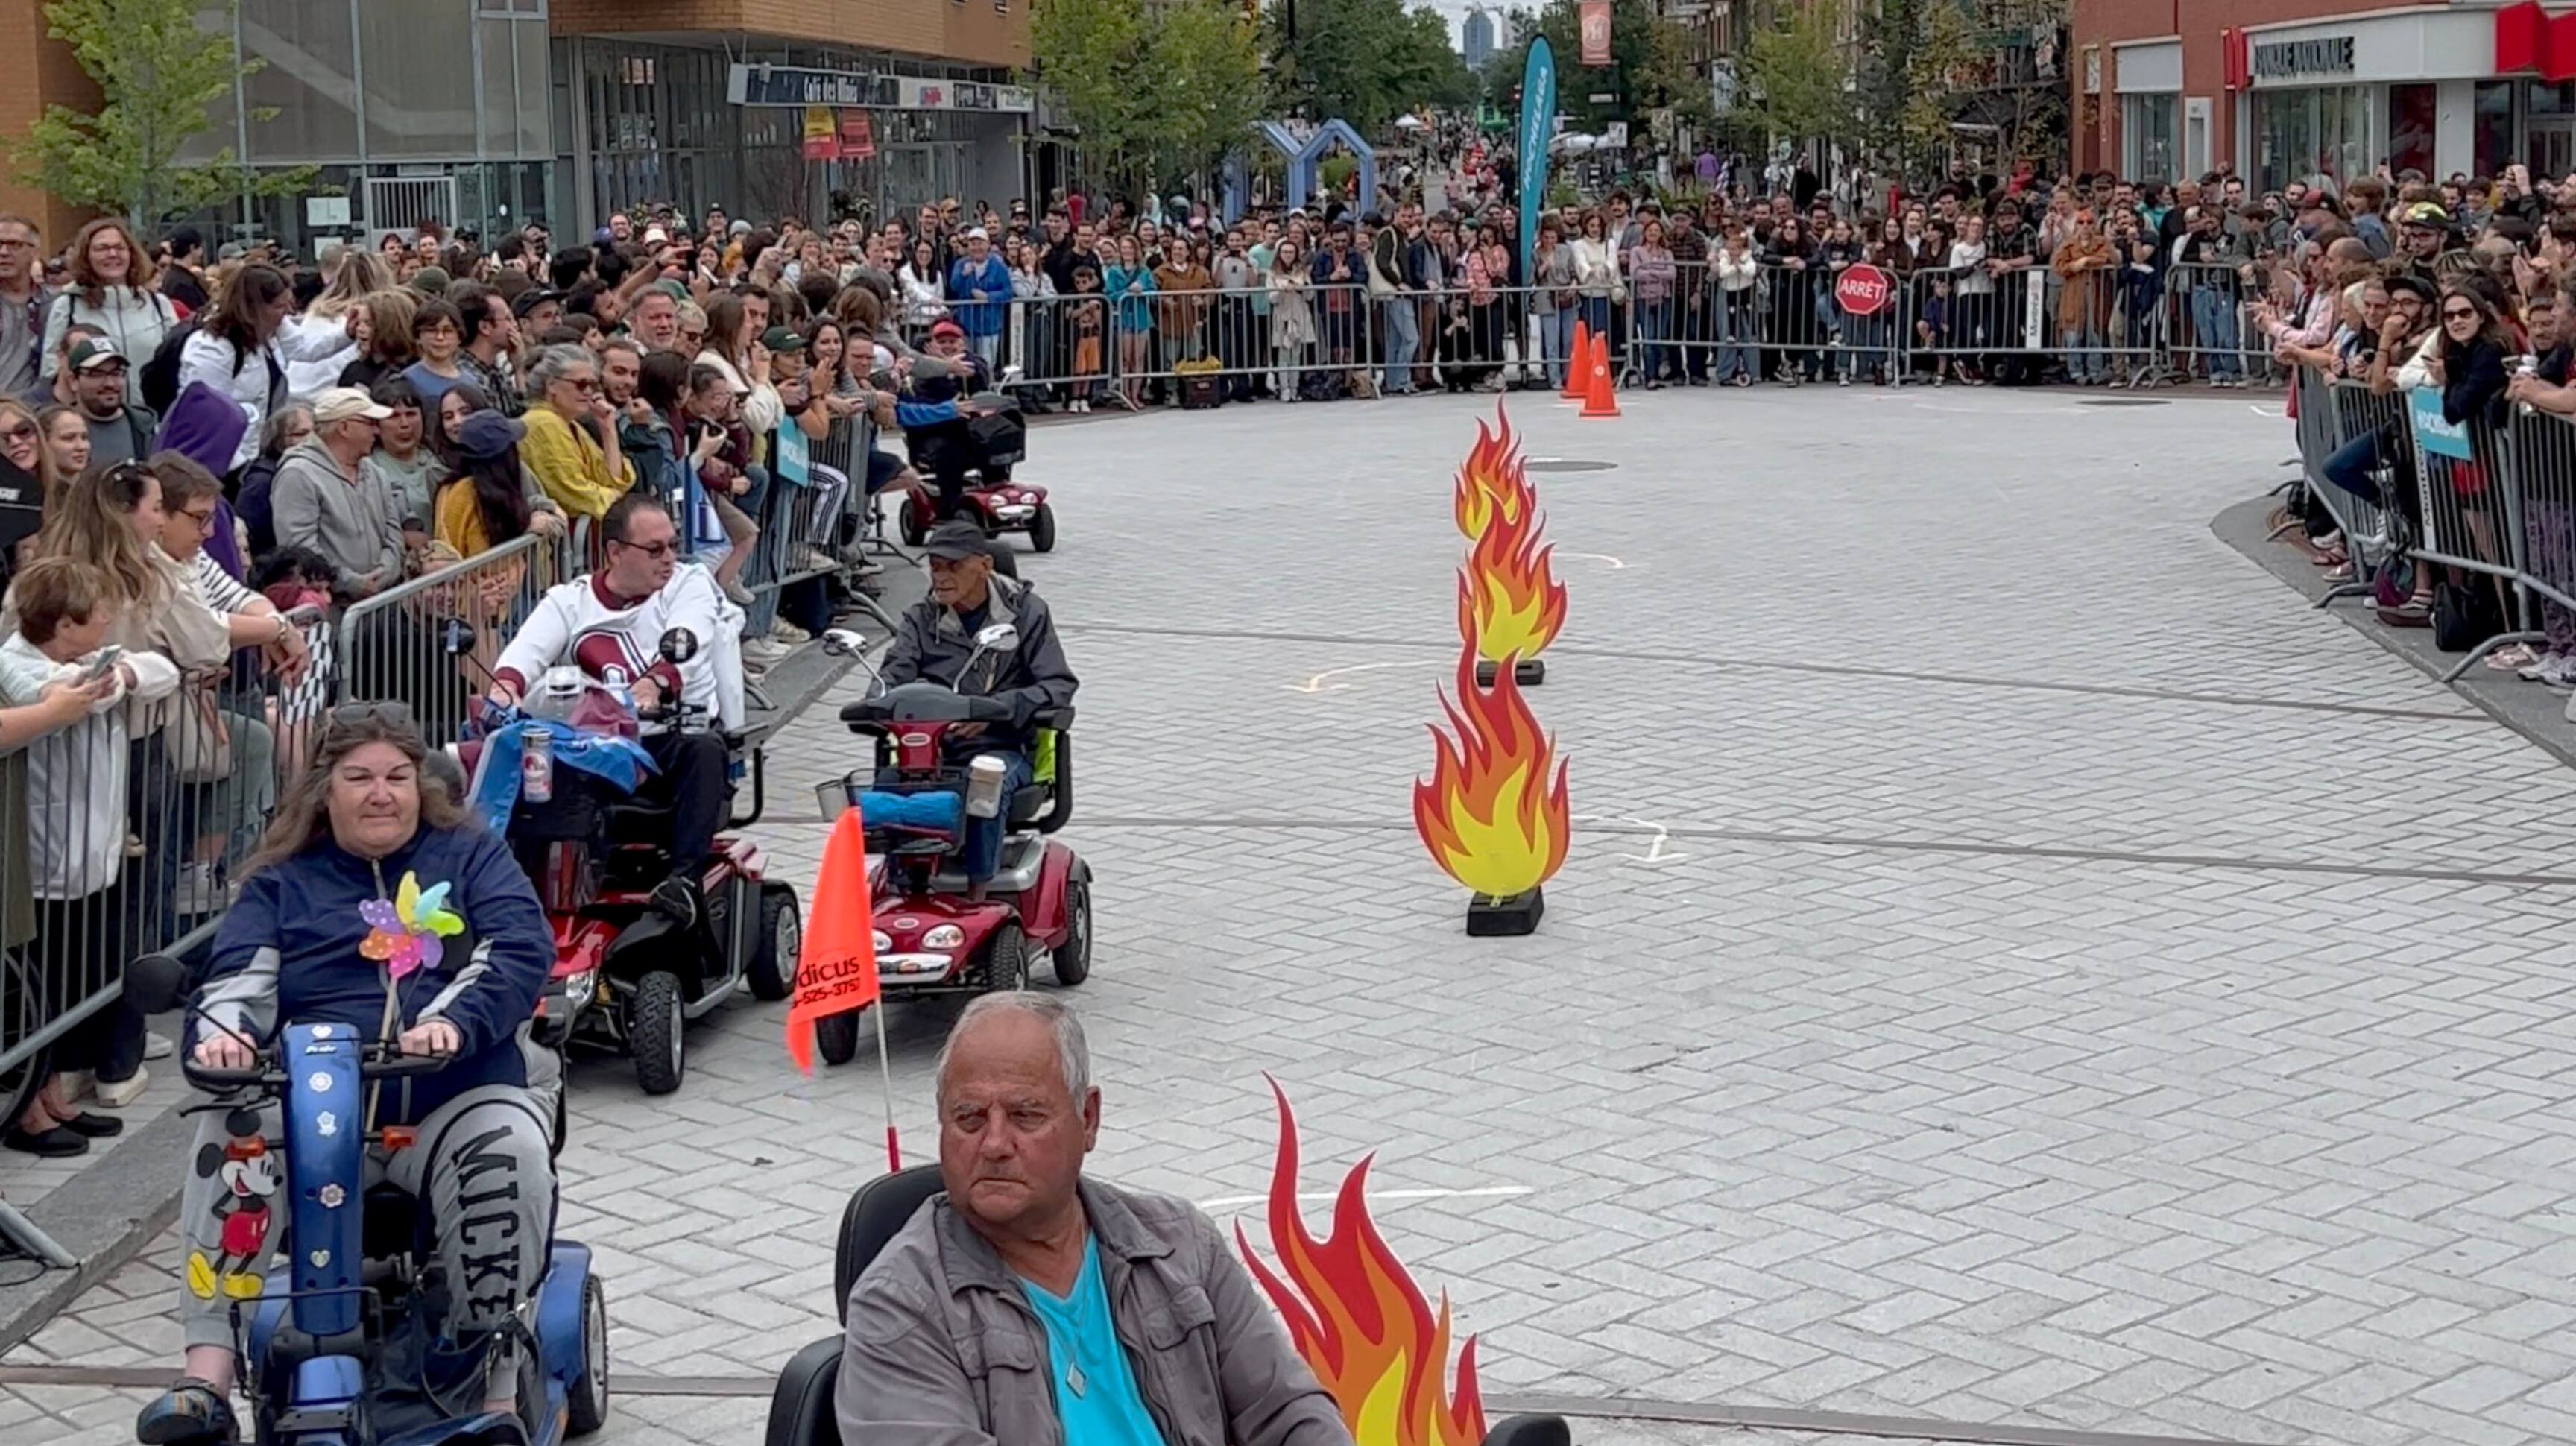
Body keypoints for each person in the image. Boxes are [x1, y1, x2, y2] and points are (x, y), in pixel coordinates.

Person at [130, 706, 555, 1444]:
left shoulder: (470, 853)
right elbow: (237, 977)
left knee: (508, 1148)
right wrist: (224, 1037)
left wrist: (452, 1022)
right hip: (315, 1106)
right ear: (325, 790)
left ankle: (493, 1384)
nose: (380, 792)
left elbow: (520, 945)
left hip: (450, 1096)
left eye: (397, 776)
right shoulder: (280, 881)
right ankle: (207, 1375)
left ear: (423, 784)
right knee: (233, 1135)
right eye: (359, 777)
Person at [839, 994, 1352, 1446]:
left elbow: (1288, 1411)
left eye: (1025, 1116)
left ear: (1088, 1119)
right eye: (969, 1118)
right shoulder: (899, 1307)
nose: (994, 1144)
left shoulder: (1179, 1245)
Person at [490, 492, 734, 920]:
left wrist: (656, 683)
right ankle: (519, 889)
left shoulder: (688, 583)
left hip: (667, 743)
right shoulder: (571, 601)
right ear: (615, 552)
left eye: (674, 545)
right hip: (599, 749)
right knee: (533, 762)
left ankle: (684, 883)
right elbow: (522, 656)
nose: (669, 558)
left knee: (705, 748)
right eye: (655, 549)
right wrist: (505, 689)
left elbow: (689, 640)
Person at [0, 555, 172, 1155]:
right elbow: (58, 699)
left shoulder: (87, 657)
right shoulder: (15, 664)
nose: (108, 624)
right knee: (36, 995)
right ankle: (30, 1108)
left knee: (72, 988)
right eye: (99, 617)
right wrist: (105, 683)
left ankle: (51, 1097)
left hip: (92, 853)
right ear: (66, 623)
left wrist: (121, 675)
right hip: (44, 862)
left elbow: (161, 670)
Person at [858, 520, 1076, 888]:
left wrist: (996, 713)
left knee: (983, 778)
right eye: (935, 566)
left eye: (953, 566)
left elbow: (1058, 685)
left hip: (1005, 747)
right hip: (933, 749)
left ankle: (979, 891)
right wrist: (875, 705)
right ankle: (903, 889)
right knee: (889, 785)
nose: (940, 577)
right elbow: (894, 674)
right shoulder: (921, 617)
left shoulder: (1027, 613)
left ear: (985, 565)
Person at [146, 452, 295, 914]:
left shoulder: (189, 557)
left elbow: (236, 595)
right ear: (160, 516)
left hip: (187, 704)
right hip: (151, 719)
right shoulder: (152, 565)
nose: (208, 534)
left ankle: (204, 871)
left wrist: (273, 623)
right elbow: (204, 635)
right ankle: (188, 881)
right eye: (198, 520)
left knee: (250, 741)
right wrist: (280, 631)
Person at [177, 265, 353, 475]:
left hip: (255, 455)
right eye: (280, 306)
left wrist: (347, 333)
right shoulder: (211, 349)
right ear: (254, 309)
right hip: (221, 465)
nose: (288, 312)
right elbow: (208, 418)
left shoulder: (268, 331)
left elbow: (304, 347)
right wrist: (240, 468)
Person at [270, 388, 407, 599]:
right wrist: (349, 582)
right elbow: (299, 548)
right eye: (370, 423)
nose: (377, 431)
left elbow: (393, 530)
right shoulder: (297, 474)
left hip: (383, 602)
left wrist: (386, 572)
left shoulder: (375, 472)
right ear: (344, 427)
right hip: (332, 608)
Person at [42, 219, 176, 407]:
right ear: (86, 256)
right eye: (102, 248)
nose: (112, 254)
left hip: (152, 421)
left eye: (119, 247)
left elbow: (176, 364)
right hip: (90, 424)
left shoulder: (158, 305)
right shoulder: (67, 306)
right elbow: (52, 371)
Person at [517, 344, 634, 522]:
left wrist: (608, 430)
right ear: (551, 385)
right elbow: (573, 492)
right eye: (581, 384)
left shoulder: (570, 424)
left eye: (593, 385)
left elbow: (611, 481)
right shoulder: (542, 423)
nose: (588, 392)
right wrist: (623, 506)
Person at [946, 229, 1011, 370]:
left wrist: (988, 297)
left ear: (988, 245)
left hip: (989, 326)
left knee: (986, 364)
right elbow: (953, 287)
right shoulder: (961, 263)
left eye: (980, 243)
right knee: (966, 364)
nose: (977, 248)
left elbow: (1008, 292)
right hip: (966, 325)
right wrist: (963, 275)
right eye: (973, 244)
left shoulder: (998, 265)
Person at [0, 215, 45, 402]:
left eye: (15, 245)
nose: (4, 252)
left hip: (40, 411)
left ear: (34, 252)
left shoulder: (55, 304)